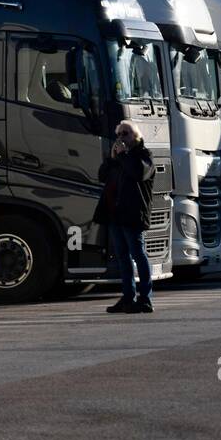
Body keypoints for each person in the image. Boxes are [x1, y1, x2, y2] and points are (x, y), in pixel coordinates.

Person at [94, 120, 156, 313]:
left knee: (138, 253)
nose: (121, 138)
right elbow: (102, 176)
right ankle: (128, 296)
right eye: (119, 134)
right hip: (114, 214)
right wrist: (112, 159)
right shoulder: (119, 159)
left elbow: (138, 173)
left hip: (132, 214)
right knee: (122, 257)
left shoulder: (143, 156)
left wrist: (122, 156)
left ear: (136, 137)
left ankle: (145, 298)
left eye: (126, 134)